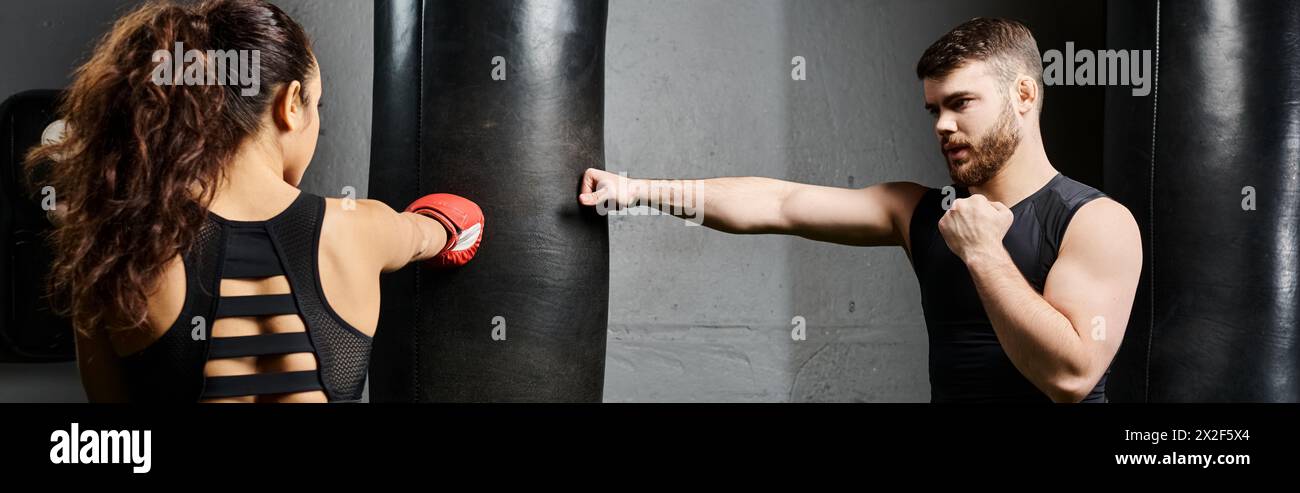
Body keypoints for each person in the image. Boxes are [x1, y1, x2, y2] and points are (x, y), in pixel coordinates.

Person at [578, 18, 1142, 403]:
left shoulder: (1094, 221)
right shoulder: (915, 211)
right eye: (933, 110)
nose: (943, 125)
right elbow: (778, 202)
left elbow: (1070, 377)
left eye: (961, 103)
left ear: (1023, 96)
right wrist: (639, 190)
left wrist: (983, 252)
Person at [26, 0, 482, 402]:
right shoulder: (360, 229)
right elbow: (455, 224)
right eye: (316, 107)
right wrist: (437, 227)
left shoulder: (118, 251)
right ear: (291, 104)